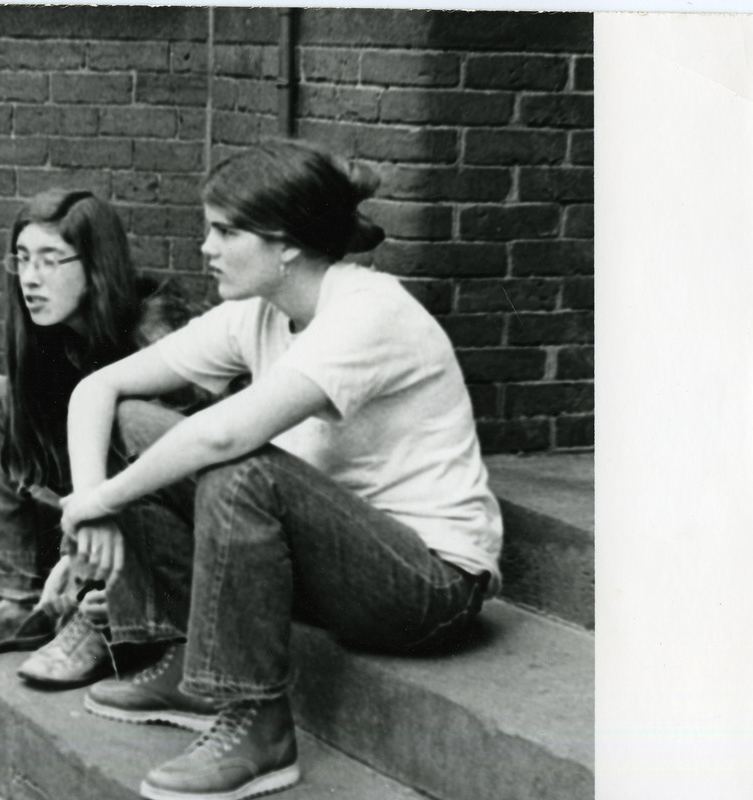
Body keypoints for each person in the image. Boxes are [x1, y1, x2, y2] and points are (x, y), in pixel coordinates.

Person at [59, 141, 503, 800]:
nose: (206, 247)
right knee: (136, 424)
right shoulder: (259, 309)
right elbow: (98, 388)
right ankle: (186, 658)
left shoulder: (370, 310)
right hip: (331, 563)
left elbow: (226, 434)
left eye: (225, 231)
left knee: (237, 470)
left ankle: (259, 728)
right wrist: (89, 498)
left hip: (428, 584)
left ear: (287, 245)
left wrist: (101, 503)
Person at [0, 188, 200, 688]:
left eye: (50, 260)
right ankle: (10, 600)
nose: (30, 277)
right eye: (23, 259)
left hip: (171, 525)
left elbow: (174, 471)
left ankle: (105, 620)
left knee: (123, 416)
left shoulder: (154, 327)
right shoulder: (49, 334)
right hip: (87, 512)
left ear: (96, 266)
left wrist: (83, 558)